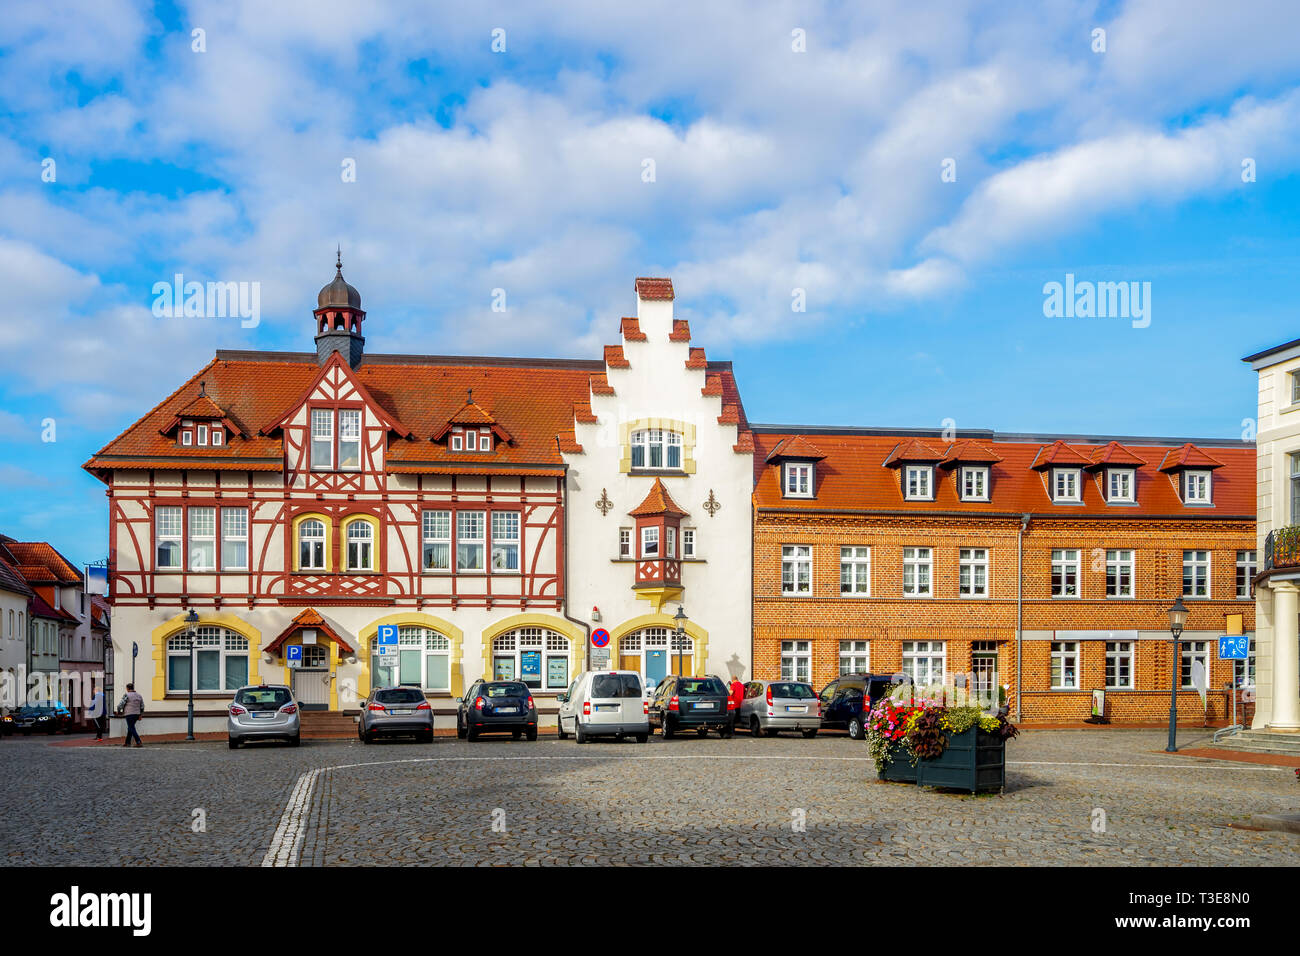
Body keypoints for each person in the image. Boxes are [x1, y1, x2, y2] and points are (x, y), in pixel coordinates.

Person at [118, 683, 145, 748]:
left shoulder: (126, 695)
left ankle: (138, 741)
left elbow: (121, 704)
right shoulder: (139, 695)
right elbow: (142, 706)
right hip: (137, 714)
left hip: (129, 714)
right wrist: (140, 714)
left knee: (131, 728)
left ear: (127, 688)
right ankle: (127, 742)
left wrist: (119, 710)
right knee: (130, 727)